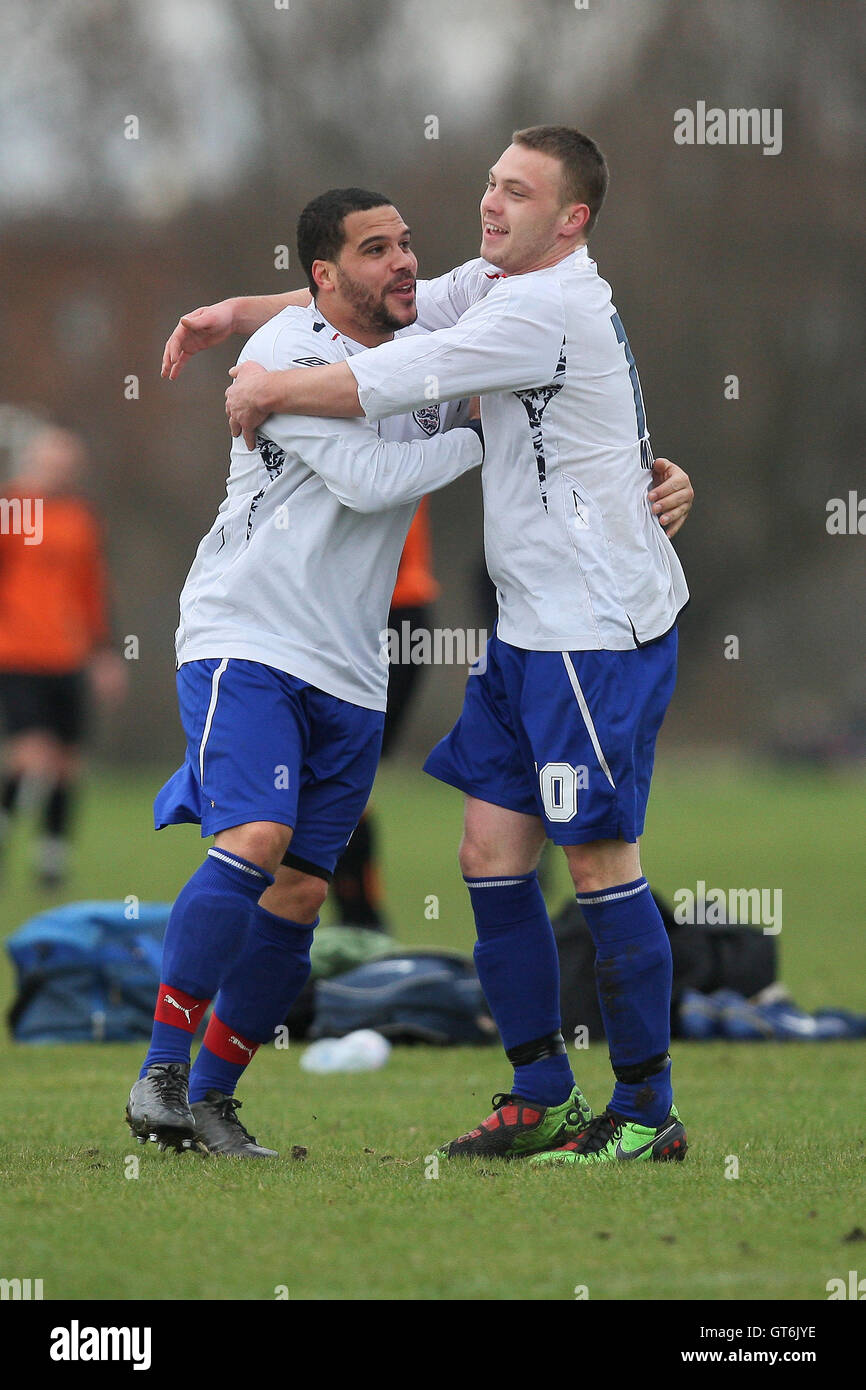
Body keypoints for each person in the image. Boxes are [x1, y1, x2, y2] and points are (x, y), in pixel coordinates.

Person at [212, 126, 695, 1167]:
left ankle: (648, 1111)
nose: (489, 202)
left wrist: (267, 389)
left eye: (517, 192)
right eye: (488, 182)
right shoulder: (496, 281)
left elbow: (396, 373)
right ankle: (539, 1093)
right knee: (487, 856)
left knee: (602, 863)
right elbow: (374, 311)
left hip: (592, 634)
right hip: (529, 629)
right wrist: (234, 321)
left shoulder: (539, 306)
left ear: (570, 219)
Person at [127, 187, 485, 1159]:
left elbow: (491, 321)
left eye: (409, 242)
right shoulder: (284, 356)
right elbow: (372, 481)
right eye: (377, 249)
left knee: (298, 894)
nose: (405, 261)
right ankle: (159, 1067)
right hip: (246, 638)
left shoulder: (410, 348)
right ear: (323, 278)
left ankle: (210, 1098)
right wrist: (481, 429)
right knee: (255, 834)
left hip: (350, 668)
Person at [0, 426, 126, 888]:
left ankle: (52, 856)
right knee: (32, 754)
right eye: (52, 460)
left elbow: (92, 589)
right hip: (16, 653)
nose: (61, 469)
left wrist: (104, 653)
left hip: (69, 655)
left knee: (67, 762)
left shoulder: (80, 516)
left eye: (68, 462)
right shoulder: (15, 508)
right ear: (33, 460)